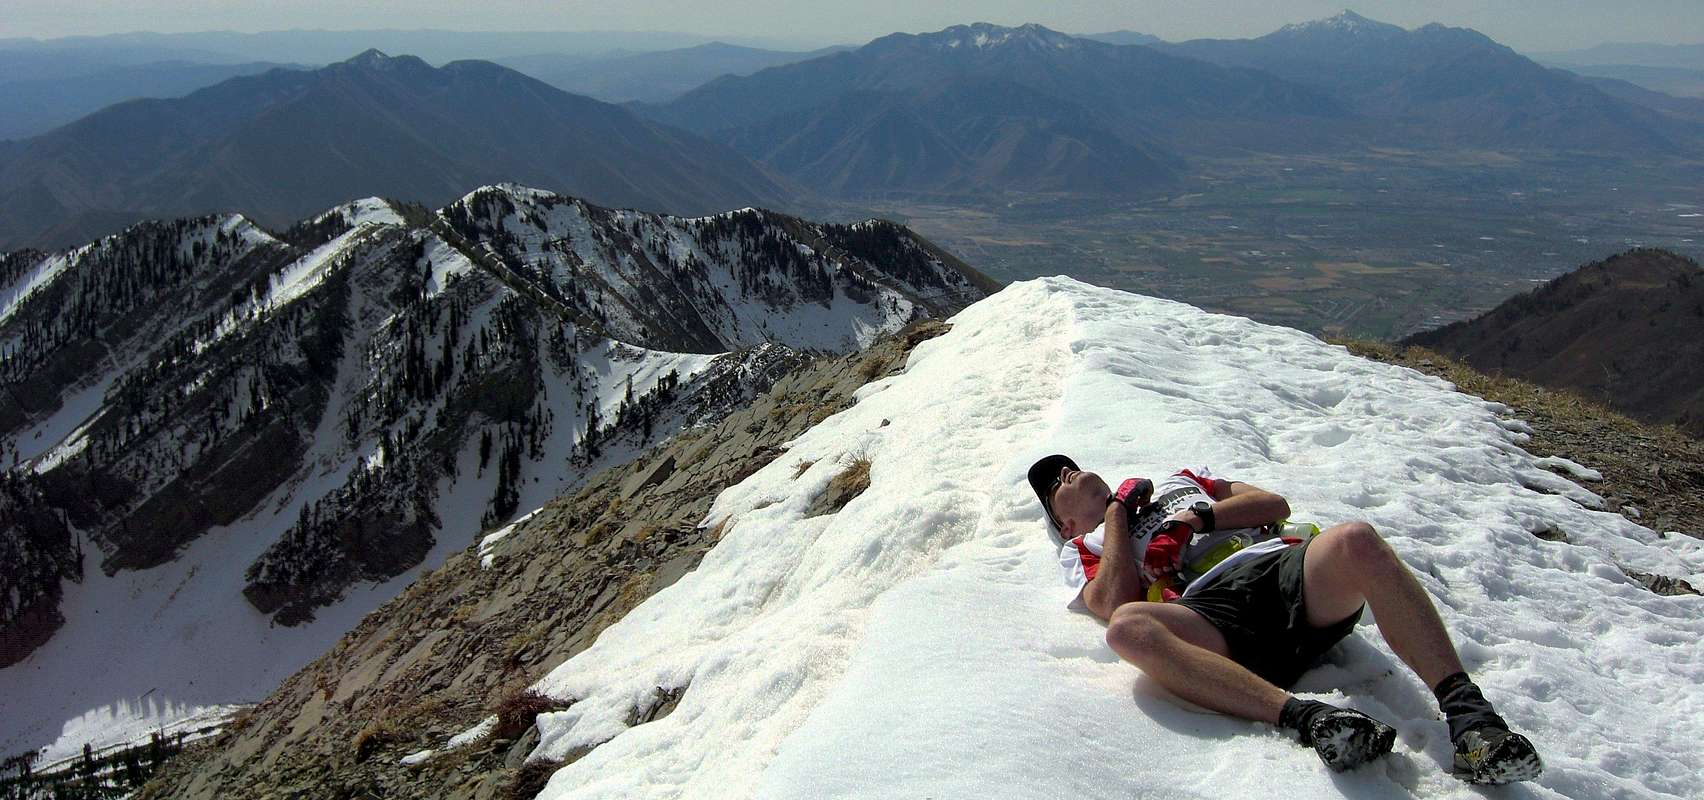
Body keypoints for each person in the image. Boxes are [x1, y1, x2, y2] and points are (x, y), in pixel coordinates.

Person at [1028, 454, 1542, 784]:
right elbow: (1113, 601)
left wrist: (1195, 518)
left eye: (1069, 467)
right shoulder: (1087, 544)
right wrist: (1117, 515)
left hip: (1280, 566)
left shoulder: (1175, 480)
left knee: (1355, 539)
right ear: (1065, 522)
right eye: (1057, 486)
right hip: (1213, 612)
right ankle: (1311, 720)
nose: (1066, 473)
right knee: (1130, 629)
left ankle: (1473, 723)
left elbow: (1271, 502)